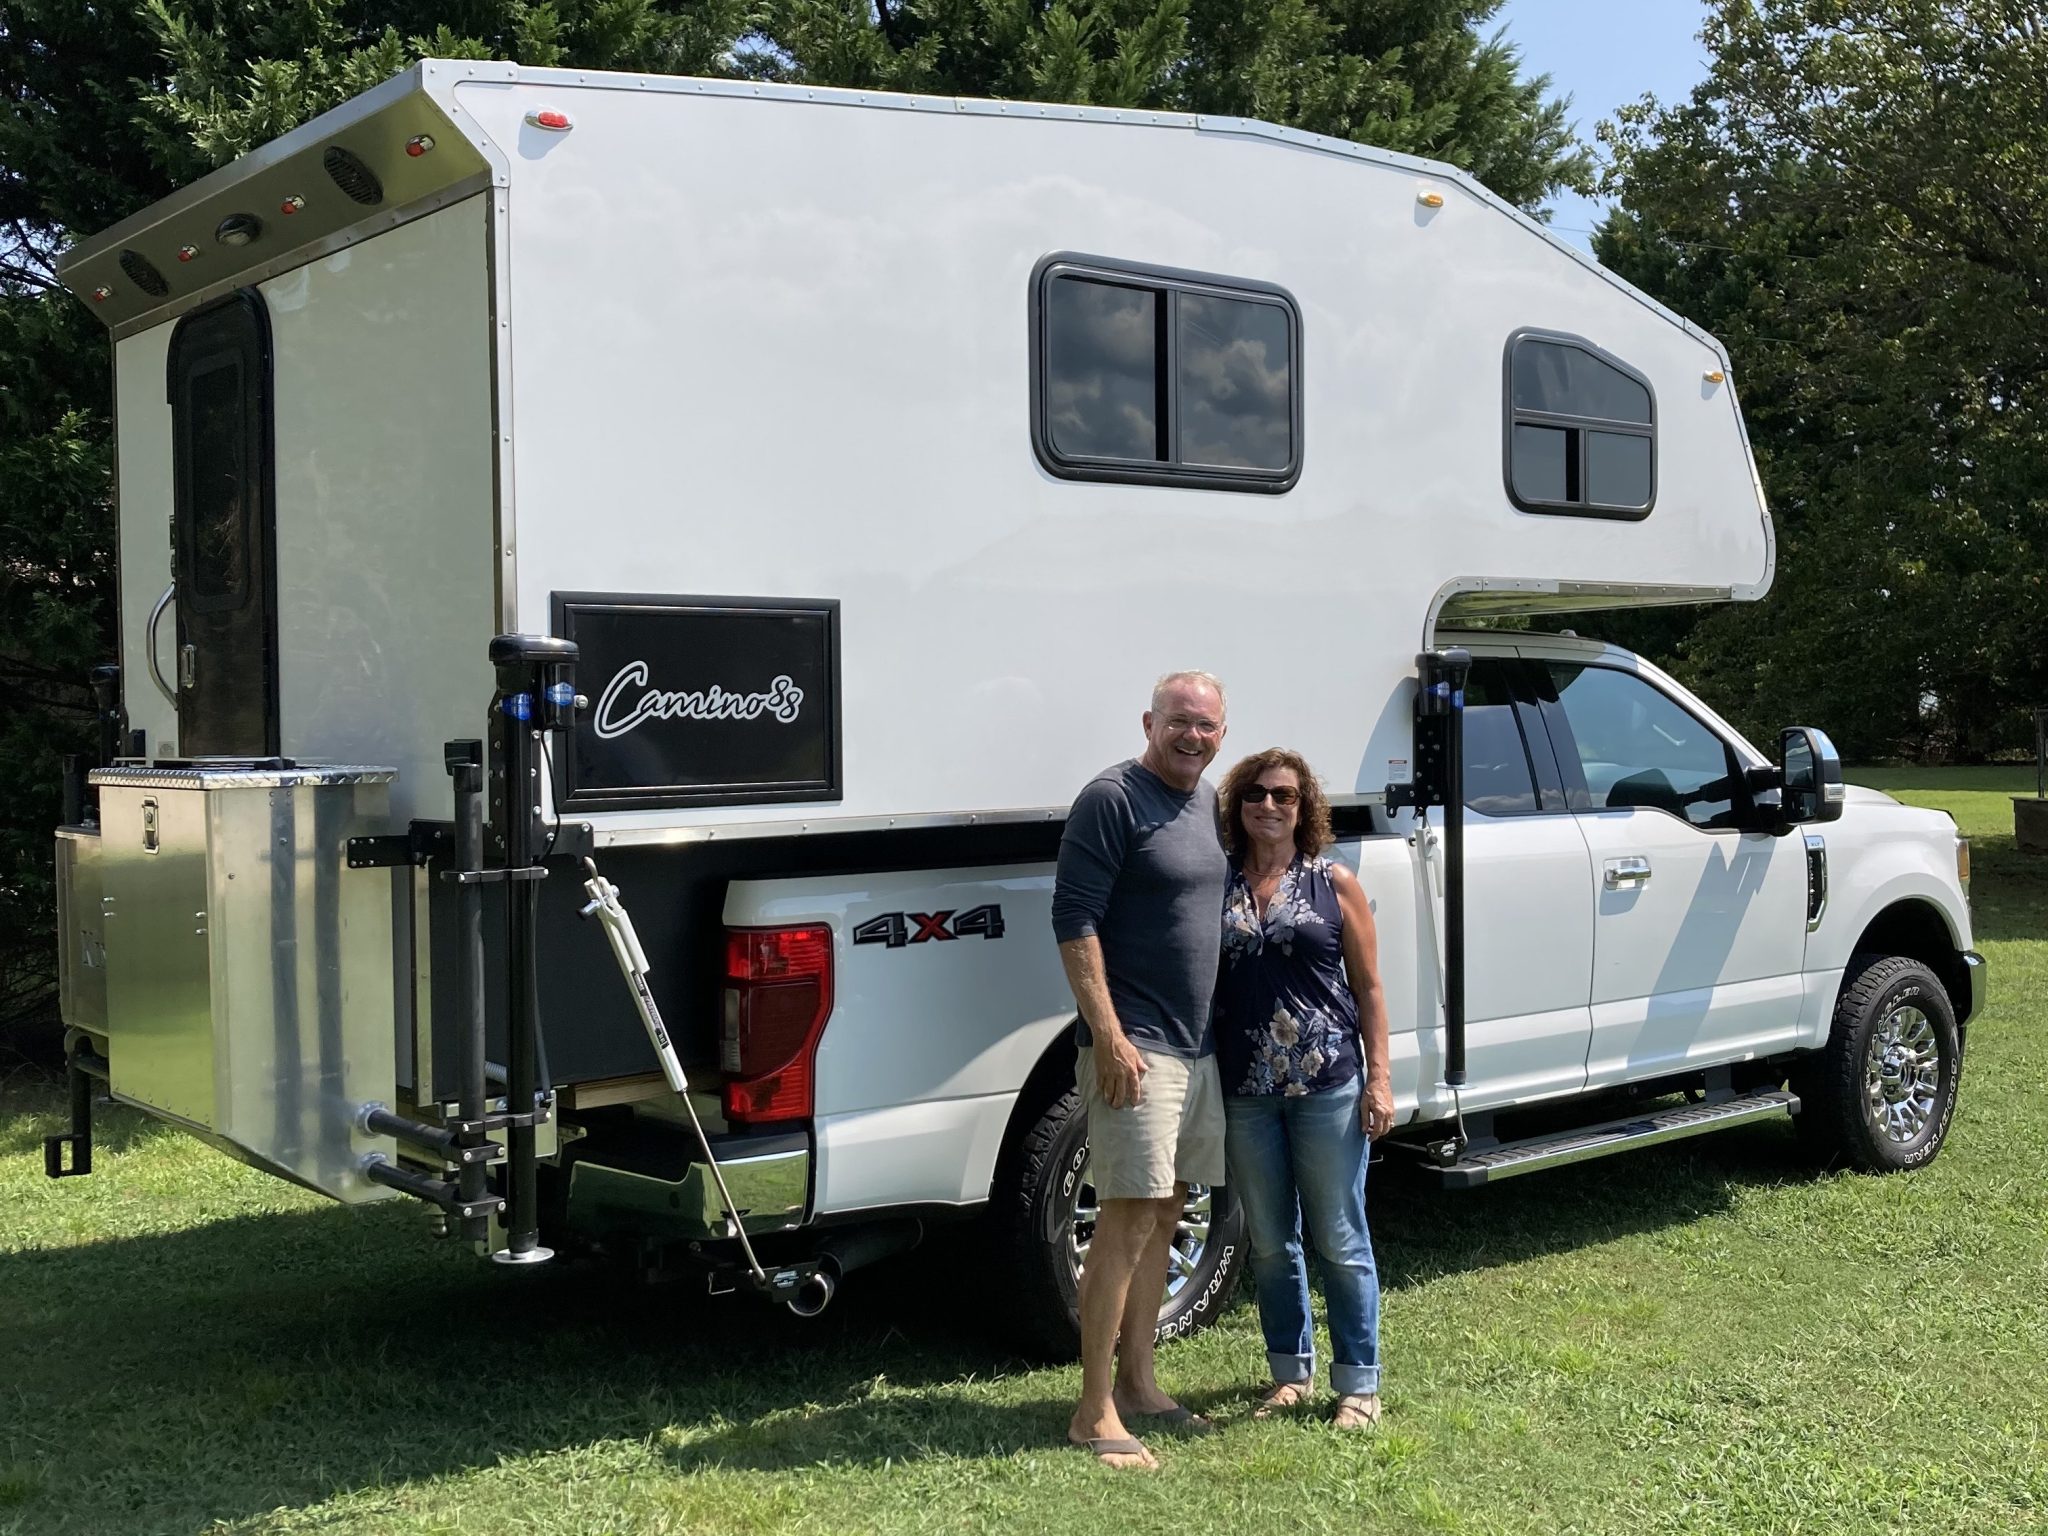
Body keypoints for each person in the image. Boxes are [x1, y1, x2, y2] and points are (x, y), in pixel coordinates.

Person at [1051, 670, 1231, 1470]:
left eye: (1208, 726)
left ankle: (1141, 1384)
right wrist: (1110, 1035)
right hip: (1139, 1046)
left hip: (1196, 1048)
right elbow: (1073, 918)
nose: (1194, 737)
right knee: (1126, 1216)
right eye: (1181, 723)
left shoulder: (1209, 801)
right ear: (1149, 721)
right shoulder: (1113, 798)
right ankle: (1092, 1411)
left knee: (1167, 1210)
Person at [1214, 747, 1395, 1430]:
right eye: (1256, 794)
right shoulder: (1220, 884)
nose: (1268, 805)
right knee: (1267, 1241)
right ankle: (1289, 1374)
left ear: (1304, 806)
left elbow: (1370, 988)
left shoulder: (1333, 882)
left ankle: (1359, 1385)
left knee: (1340, 1238)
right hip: (1246, 1090)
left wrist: (1379, 1079)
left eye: (1283, 795)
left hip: (1327, 1086)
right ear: (1239, 806)